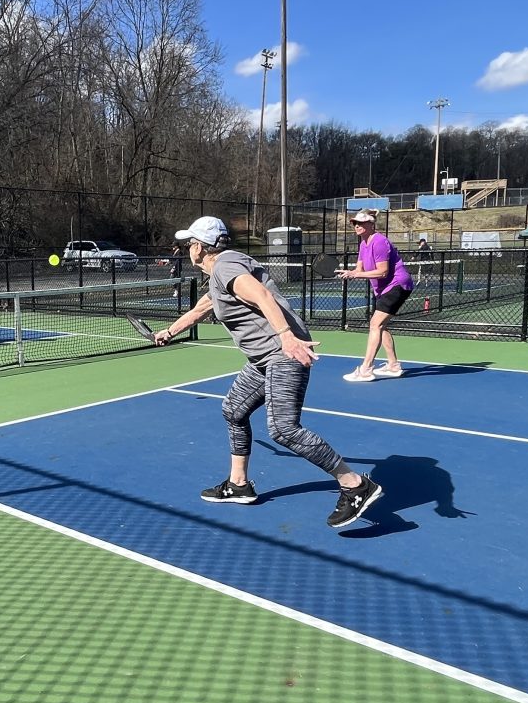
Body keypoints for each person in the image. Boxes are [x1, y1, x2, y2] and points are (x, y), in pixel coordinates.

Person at [152, 216, 383, 529]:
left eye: (190, 242)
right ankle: (238, 485)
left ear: (201, 247)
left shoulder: (225, 267)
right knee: (234, 410)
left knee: (283, 429)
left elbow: (262, 296)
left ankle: (355, 484)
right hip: (263, 359)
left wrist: (286, 336)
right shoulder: (222, 274)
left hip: (281, 353)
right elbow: (200, 309)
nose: (187, 248)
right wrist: (169, 331)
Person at [337, 210, 413, 381]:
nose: (357, 226)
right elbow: (359, 269)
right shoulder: (363, 244)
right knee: (380, 326)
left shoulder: (379, 242)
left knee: (375, 325)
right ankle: (393, 365)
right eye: (355, 223)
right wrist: (349, 273)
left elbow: (382, 271)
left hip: (397, 284)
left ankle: (366, 369)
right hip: (383, 289)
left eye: (361, 223)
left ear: (371, 224)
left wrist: (356, 274)